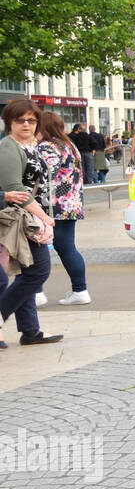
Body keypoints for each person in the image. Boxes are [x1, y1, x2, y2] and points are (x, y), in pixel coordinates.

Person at [0, 98, 61, 346]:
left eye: (31, 120)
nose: (26, 124)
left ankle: (30, 330)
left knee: (28, 273)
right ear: (9, 122)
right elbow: (16, 189)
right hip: (20, 219)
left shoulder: (31, 146)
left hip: (30, 218)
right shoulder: (8, 147)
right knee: (37, 272)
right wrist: (44, 216)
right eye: (20, 120)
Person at [36, 112, 90, 305]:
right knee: (67, 248)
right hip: (70, 204)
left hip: (51, 205)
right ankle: (80, 289)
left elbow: (42, 173)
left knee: (37, 246)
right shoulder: (69, 145)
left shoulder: (48, 146)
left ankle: (36, 292)